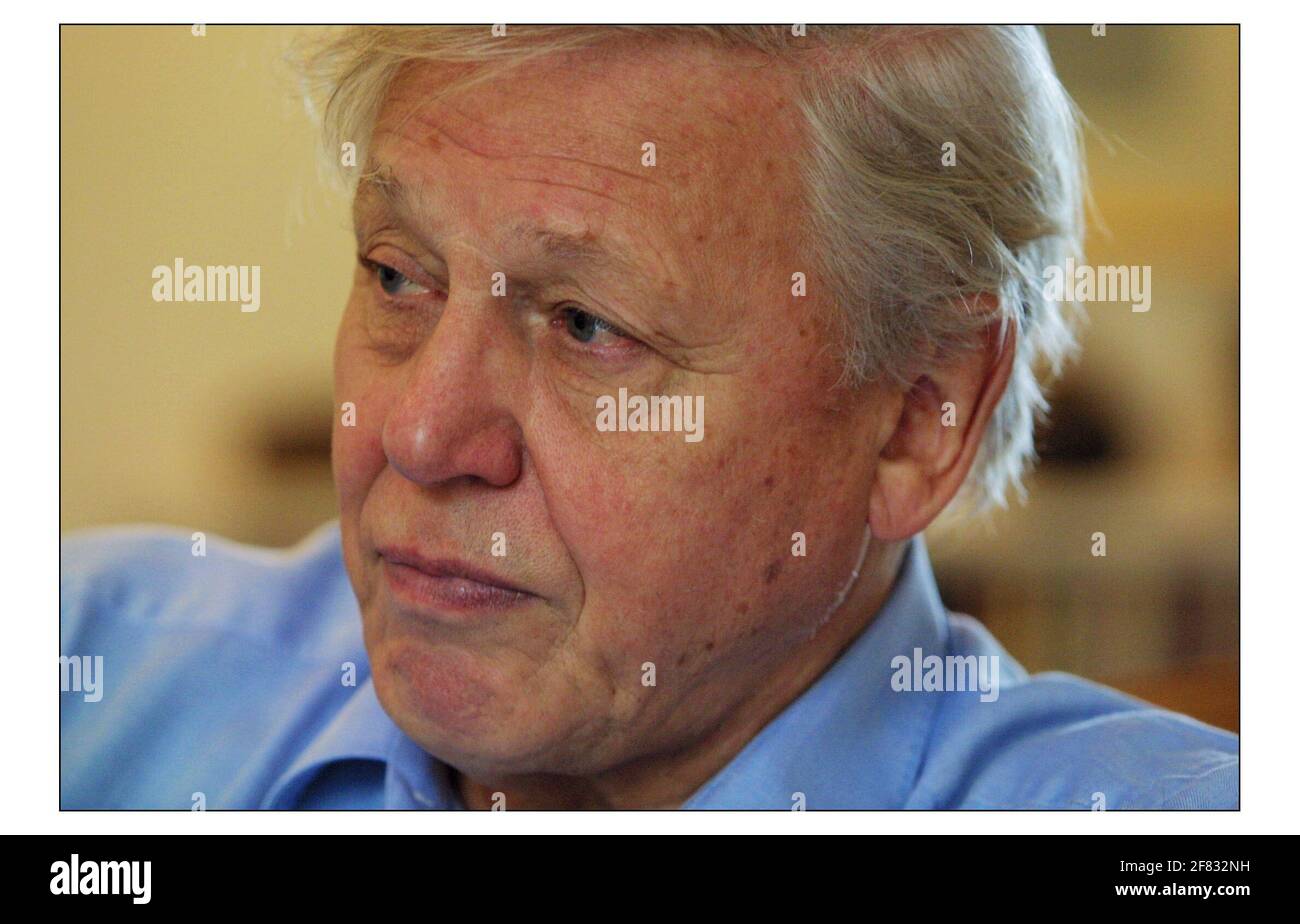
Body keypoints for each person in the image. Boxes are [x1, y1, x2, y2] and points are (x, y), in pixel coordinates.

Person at [61, 25, 1238, 810]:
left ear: (919, 417)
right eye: (396, 275)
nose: (414, 434)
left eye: (584, 325)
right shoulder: (84, 672)